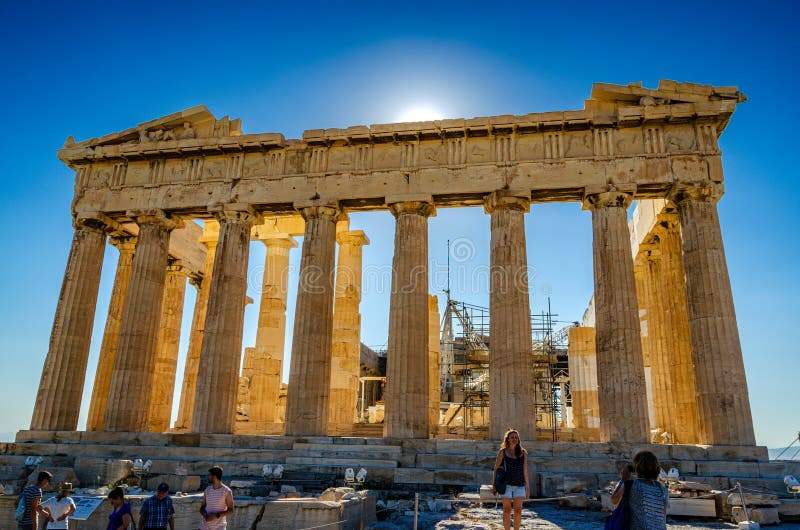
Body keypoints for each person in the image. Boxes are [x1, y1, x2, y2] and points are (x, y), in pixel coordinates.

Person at [492, 429, 530, 530]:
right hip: (506, 484)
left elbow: (525, 471)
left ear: (518, 440)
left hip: (520, 484)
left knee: (518, 511)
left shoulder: (523, 453)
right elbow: (496, 469)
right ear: (508, 439)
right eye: (512, 437)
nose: (514, 439)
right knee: (507, 510)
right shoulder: (502, 452)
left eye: (516, 437)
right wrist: (494, 485)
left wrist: (528, 488)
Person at [625, 451, 669, 530]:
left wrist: (623, 479)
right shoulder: (663, 489)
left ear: (637, 468)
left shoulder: (632, 485)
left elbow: (614, 500)